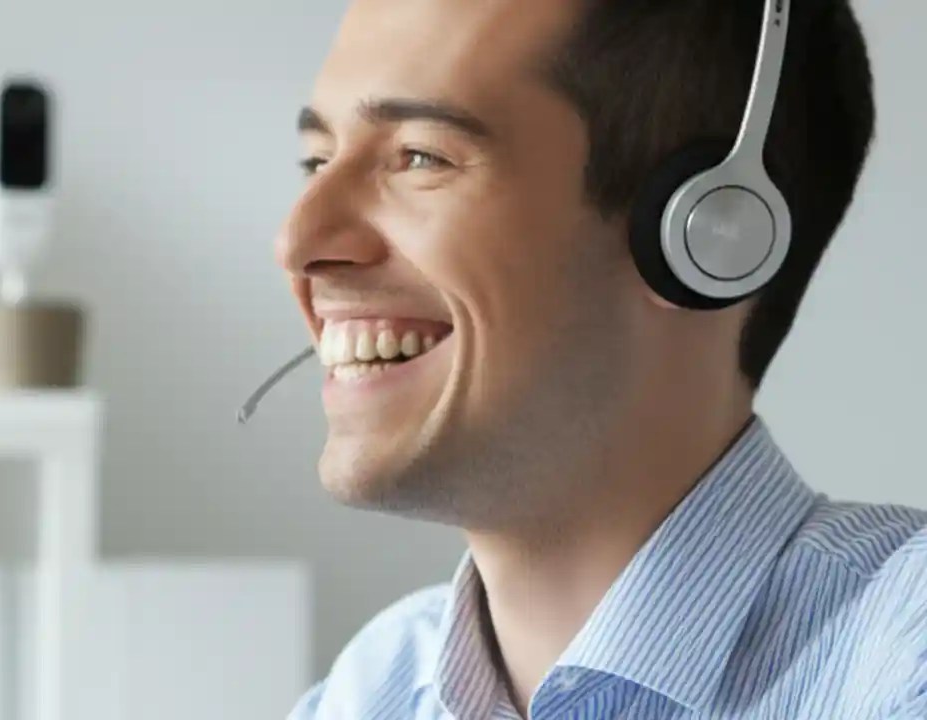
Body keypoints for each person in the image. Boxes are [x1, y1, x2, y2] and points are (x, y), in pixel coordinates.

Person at [275, 0, 927, 718]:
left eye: (421, 157)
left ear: (710, 232)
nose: (299, 243)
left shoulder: (903, 651)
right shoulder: (365, 692)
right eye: (317, 160)